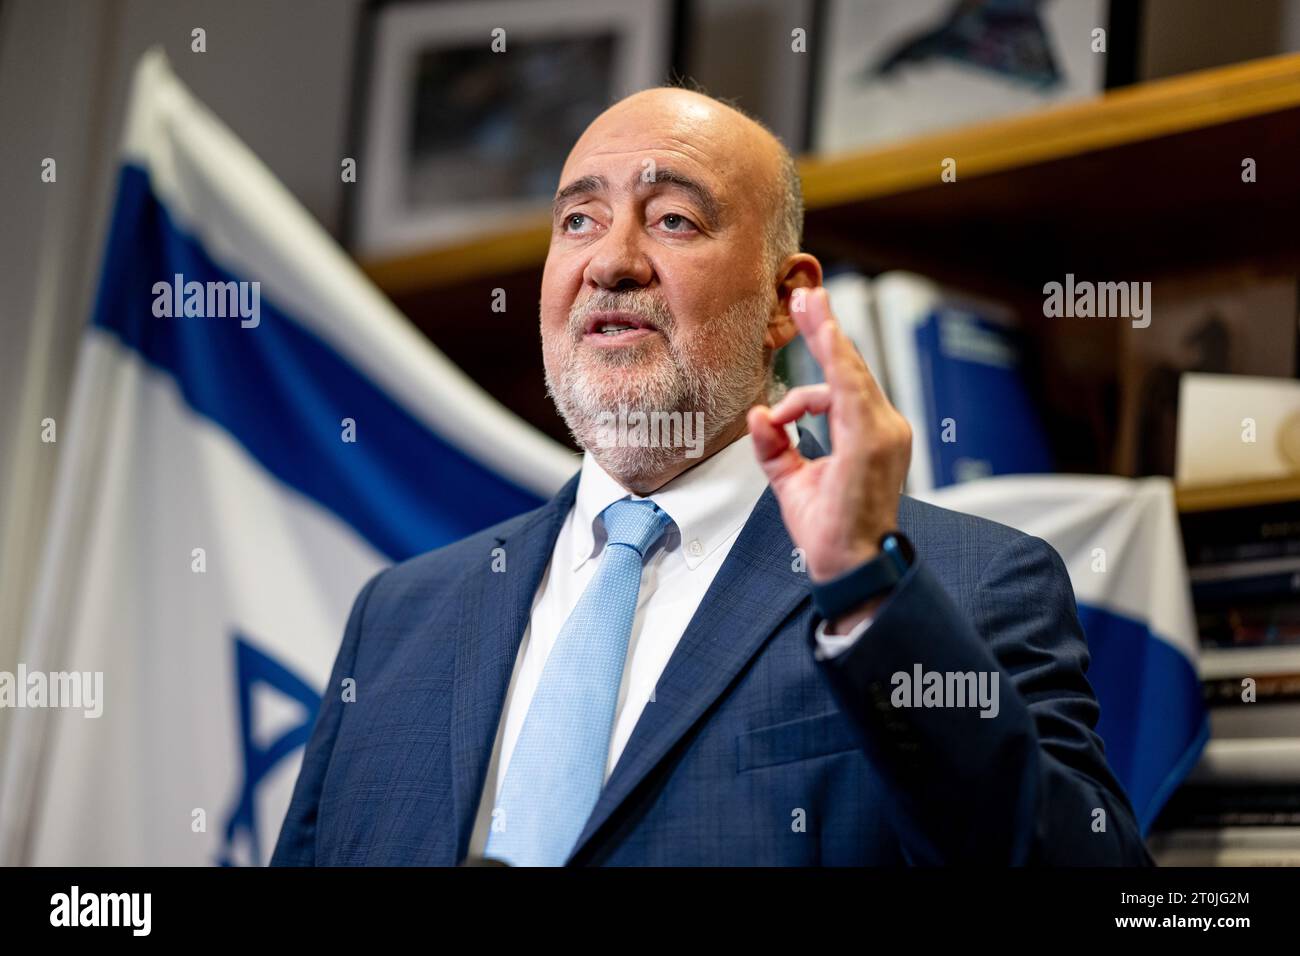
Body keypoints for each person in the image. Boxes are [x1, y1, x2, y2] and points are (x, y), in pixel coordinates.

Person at [271, 87, 1151, 866]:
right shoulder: (398, 618)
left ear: (784, 300)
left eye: (673, 220)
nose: (610, 261)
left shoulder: (968, 586)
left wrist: (869, 595)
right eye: (578, 220)